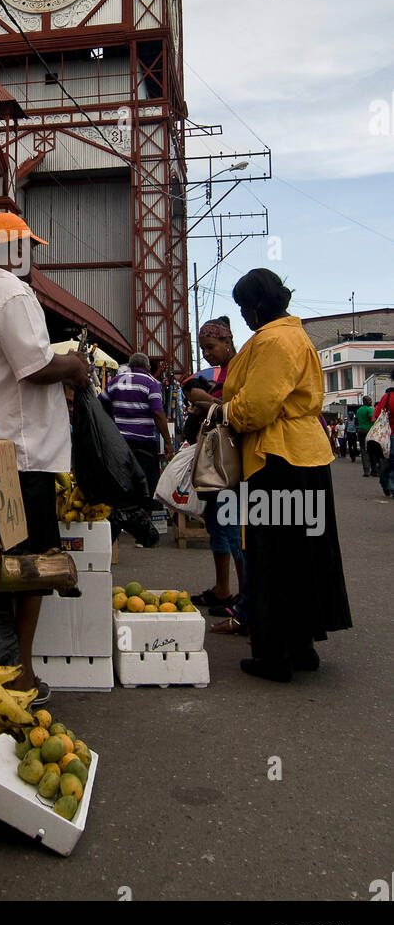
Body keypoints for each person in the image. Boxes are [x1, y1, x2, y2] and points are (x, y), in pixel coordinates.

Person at [0, 212, 91, 702]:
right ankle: (21, 674)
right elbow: (34, 367)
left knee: (2, 558)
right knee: (26, 565)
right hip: (21, 456)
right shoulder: (12, 294)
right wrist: (74, 365)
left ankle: (1, 662)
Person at [221, 269, 351, 682]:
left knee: (272, 556)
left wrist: (224, 411)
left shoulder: (273, 341)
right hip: (306, 456)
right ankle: (301, 645)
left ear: (258, 306)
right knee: (305, 556)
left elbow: (255, 408)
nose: (242, 316)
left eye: (244, 307)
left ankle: (273, 656)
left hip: (275, 459)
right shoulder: (295, 335)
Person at [180, 318, 245, 613]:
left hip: (232, 465)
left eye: (211, 347)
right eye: (203, 348)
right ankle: (222, 590)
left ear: (227, 342)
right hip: (216, 467)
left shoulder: (240, 370)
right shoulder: (222, 374)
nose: (207, 353)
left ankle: (247, 600)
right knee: (218, 528)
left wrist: (204, 400)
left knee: (236, 534)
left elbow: (238, 411)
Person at [99, 352, 175, 514]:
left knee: (123, 481)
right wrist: (168, 442)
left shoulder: (115, 382)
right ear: (147, 367)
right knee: (146, 483)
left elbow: (100, 404)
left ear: (130, 365)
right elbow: (158, 414)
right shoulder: (151, 382)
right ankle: (143, 519)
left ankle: (123, 517)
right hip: (144, 443)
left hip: (119, 443)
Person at [373, 379, 394, 497]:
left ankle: (385, 482)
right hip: (390, 434)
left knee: (388, 460)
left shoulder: (386, 397)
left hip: (386, 434)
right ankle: (389, 484)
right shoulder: (388, 397)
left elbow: (376, 415)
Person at [356, 396, 375, 477]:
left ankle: (366, 471)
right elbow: (373, 419)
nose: (371, 401)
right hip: (369, 431)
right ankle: (374, 470)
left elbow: (357, 420)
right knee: (372, 451)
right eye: (370, 400)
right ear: (367, 401)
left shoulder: (359, 410)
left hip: (360, 430)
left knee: (363, 451)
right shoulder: (370, 409)